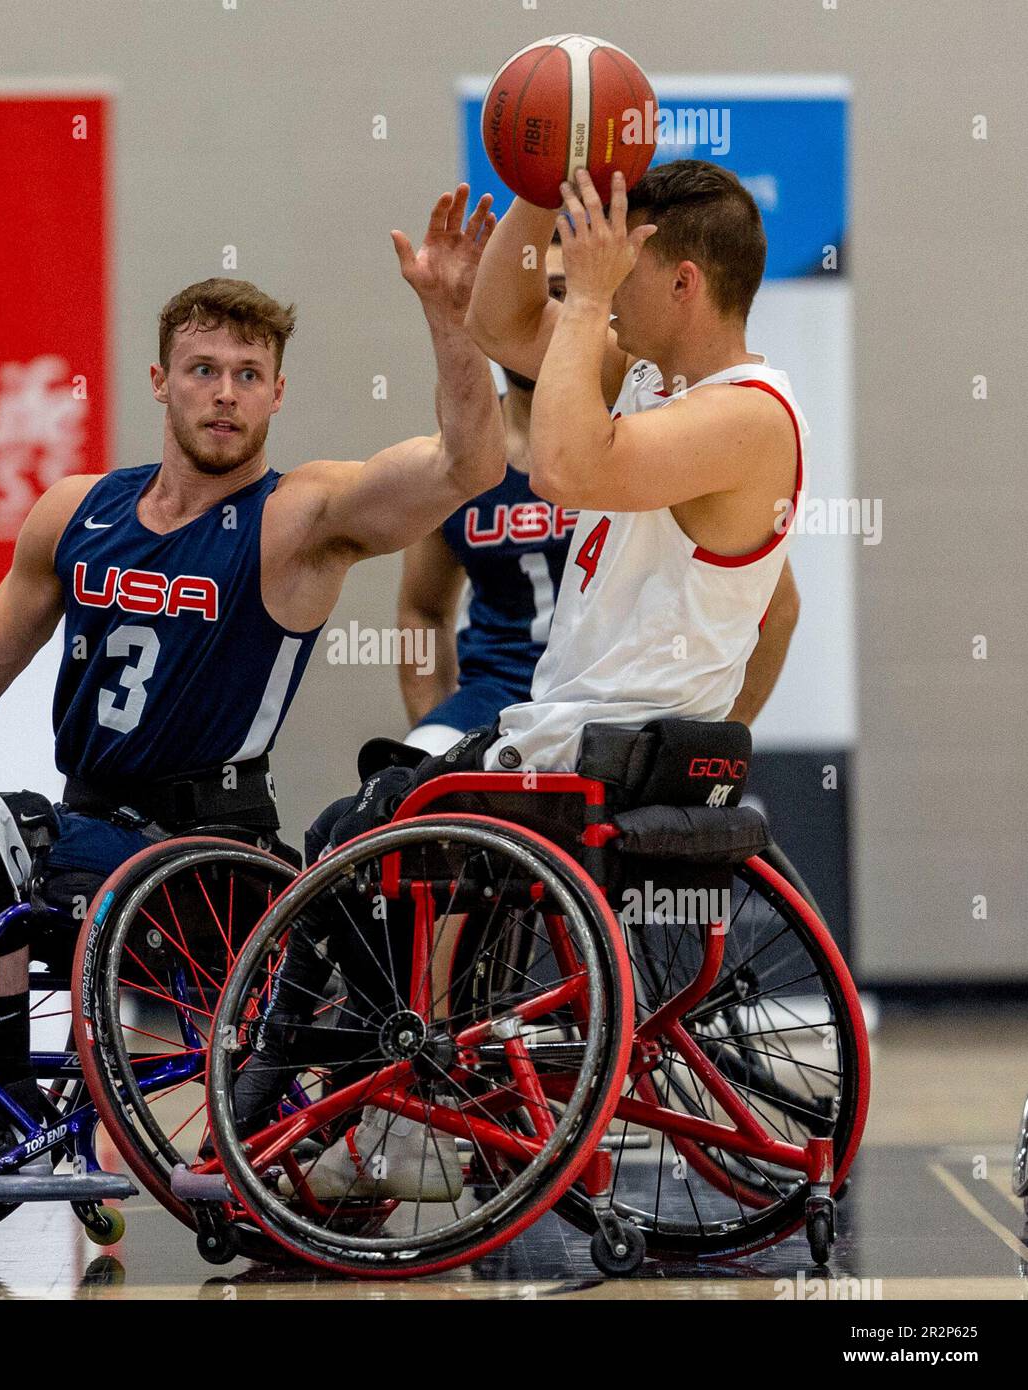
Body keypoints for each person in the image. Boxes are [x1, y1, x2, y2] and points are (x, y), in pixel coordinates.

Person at [0, 185, 507, 1178]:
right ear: (160, 380)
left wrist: (449, 316)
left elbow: (467, 464)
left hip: (205, 855)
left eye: (247, 374)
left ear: (276, 395)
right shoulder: (78, 512)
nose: (224, 391)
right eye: (203, 370)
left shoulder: (299, 518)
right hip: (84, 829)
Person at [269, 158, 807, 1198]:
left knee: (358, 830)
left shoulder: (747, 413)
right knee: (369, 829)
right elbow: (501, 316)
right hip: (579, 734)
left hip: (602, 746)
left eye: (623, 266)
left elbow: (562, 468)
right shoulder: (657, 382)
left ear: (682, 281)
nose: (594, 290)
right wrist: (546, 166)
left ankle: (383, 1111)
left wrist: (589, 301)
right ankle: (364, 1099)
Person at [399, 225, 799, 759]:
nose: (548, 310)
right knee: (394, 788)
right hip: (493, 693)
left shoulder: (651, 423)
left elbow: (781, 604)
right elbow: (421, 609)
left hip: (609, 707)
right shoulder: (460, 455)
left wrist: (727, 735)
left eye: (563, 293)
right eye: (535, 294)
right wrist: (430, 724)